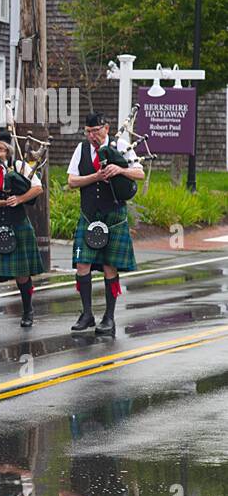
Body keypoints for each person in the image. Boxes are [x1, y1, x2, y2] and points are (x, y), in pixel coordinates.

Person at [66, 114, 144, 337]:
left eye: (96, 131)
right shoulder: (81, 149)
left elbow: (139, 173)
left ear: (106, 128)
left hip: (114, 214)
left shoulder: (121, 145)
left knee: (110, 265)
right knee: (82, 264)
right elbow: (72, 181)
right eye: (88, 132)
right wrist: (96, 176)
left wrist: (120, 170)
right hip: (89, 214)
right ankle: (87, 314)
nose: (92, 136)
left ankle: (109, 317)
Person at [0, 131, 43, 332]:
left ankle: (28, 312)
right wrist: (5, 202)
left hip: (19, 225)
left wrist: (19, 199)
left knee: (22, 274)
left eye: (0, 149)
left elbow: (37, 188)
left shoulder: (20, 167)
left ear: (8, 151)